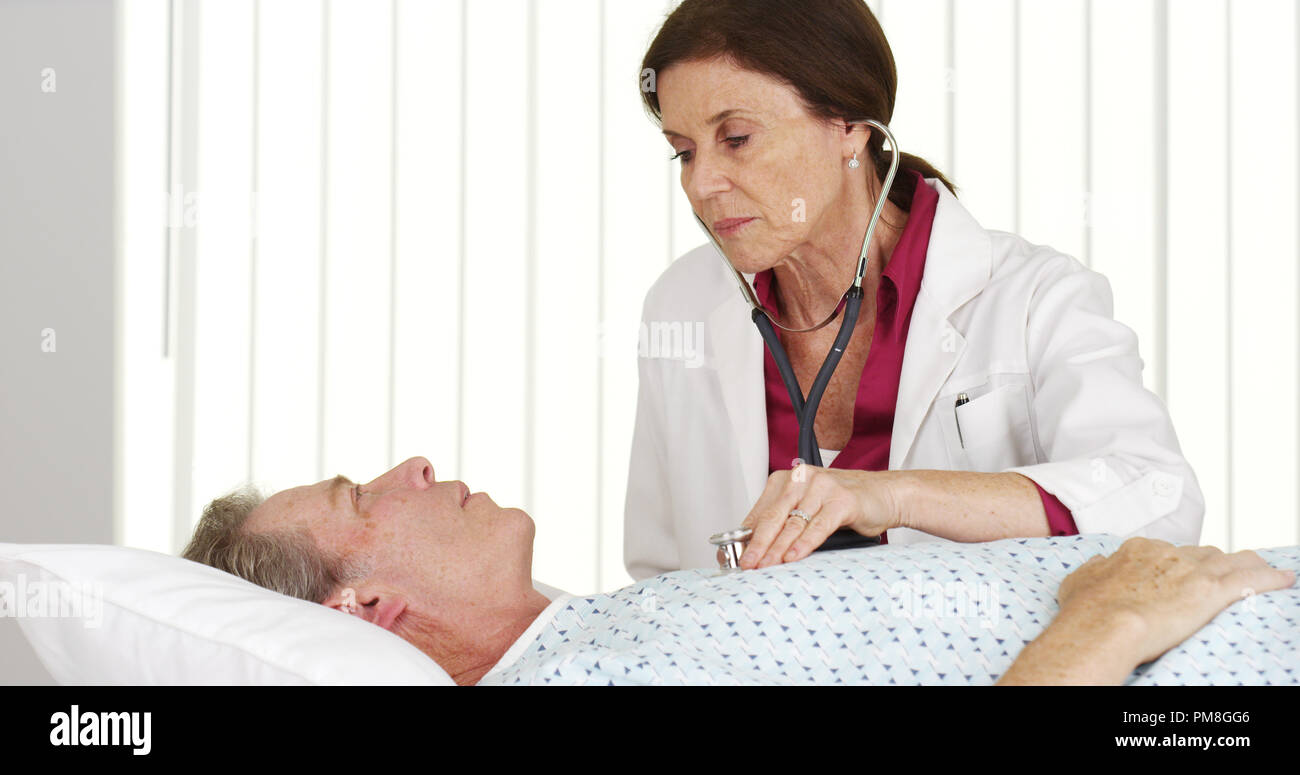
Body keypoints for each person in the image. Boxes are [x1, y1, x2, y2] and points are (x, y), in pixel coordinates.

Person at [623, 0, 1204, 580]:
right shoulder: (683, 306)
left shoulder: (1034, 298)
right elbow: (660, 575)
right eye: (684, 151)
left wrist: (894, 497)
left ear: (848, 126)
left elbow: (1155, 500)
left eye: (738, 138)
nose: (700, 184)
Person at [182, 457, 1293, 686]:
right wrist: (1101, 623)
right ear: (366, 607)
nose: (412, 465)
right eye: (362, 497)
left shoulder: (612, 623)